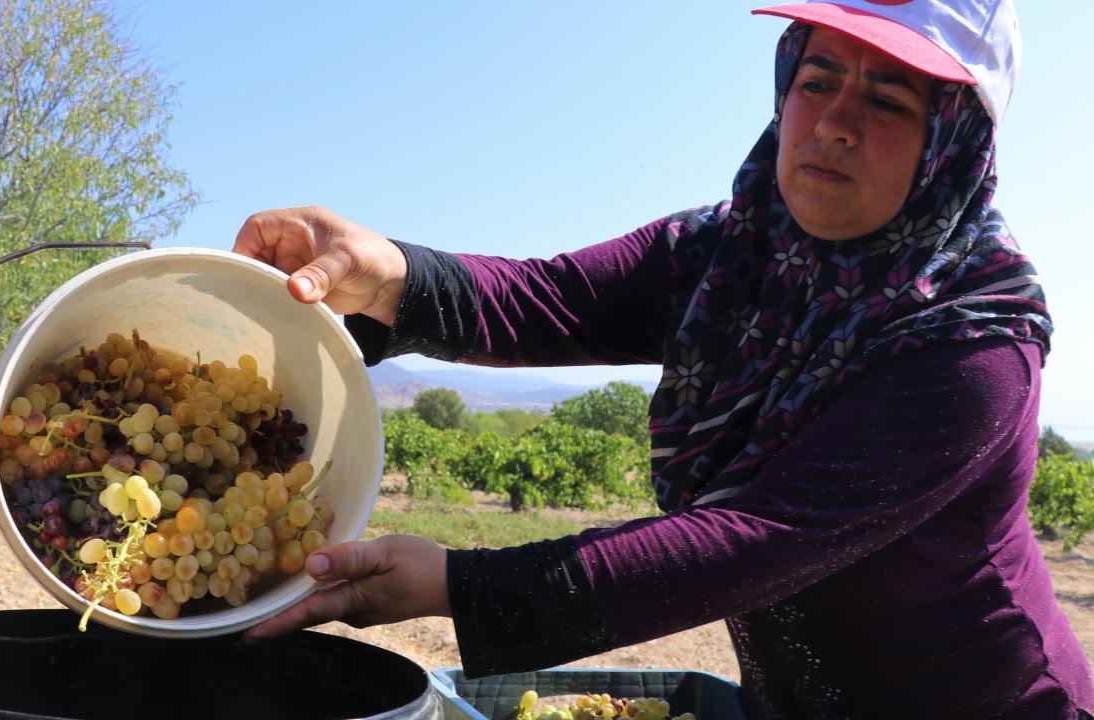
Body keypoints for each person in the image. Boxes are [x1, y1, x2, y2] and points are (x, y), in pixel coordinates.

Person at [232, 1, 1094, 717]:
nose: (833, 123)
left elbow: (756, 540)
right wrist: (387, 273)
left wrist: (462, 584)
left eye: (890, 100)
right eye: (817, 80)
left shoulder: (974, 337)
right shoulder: (728, 257)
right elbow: (549, 296)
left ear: (954, 140)